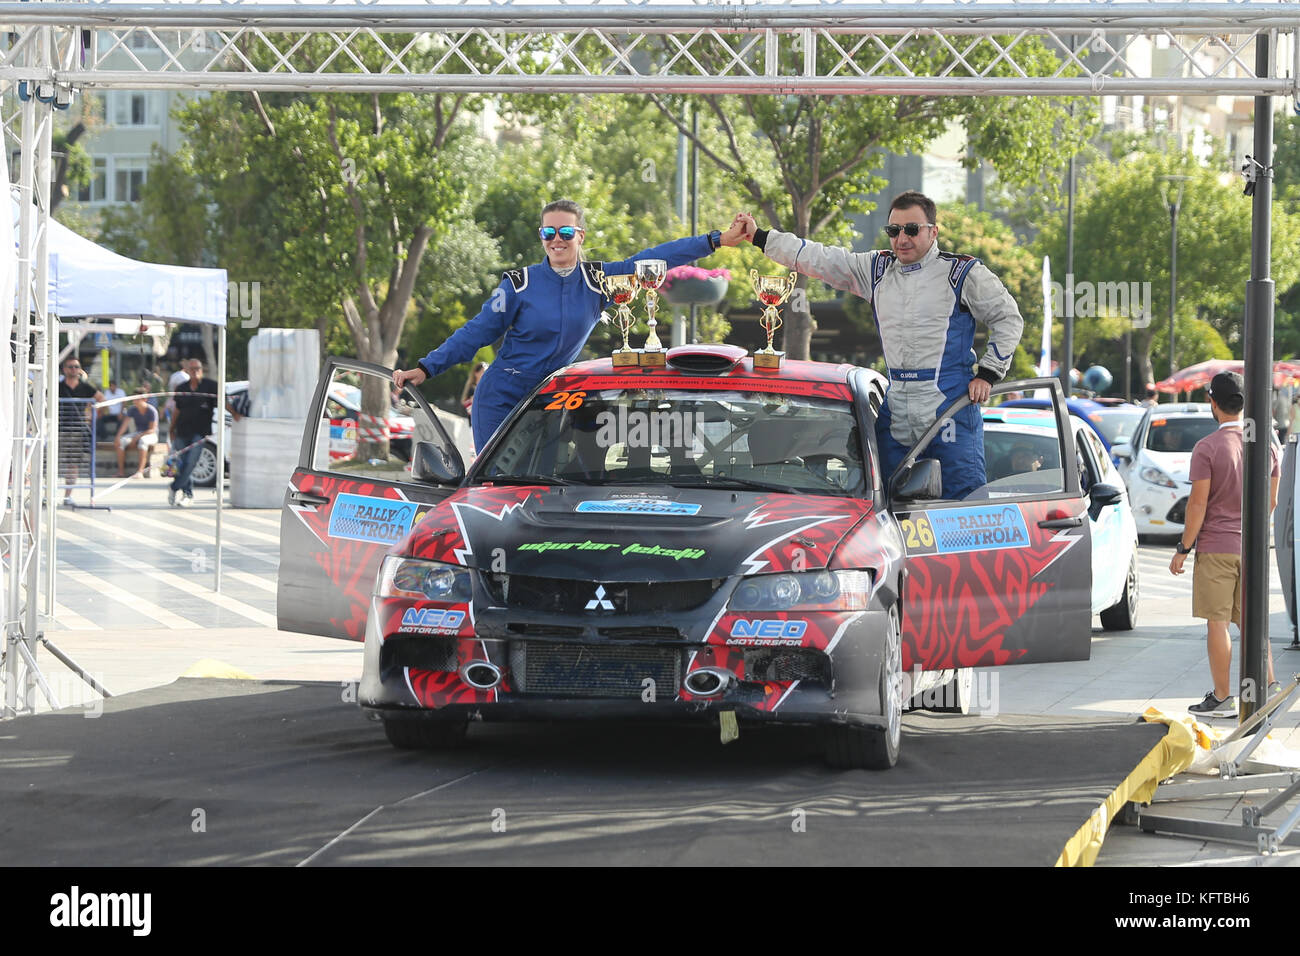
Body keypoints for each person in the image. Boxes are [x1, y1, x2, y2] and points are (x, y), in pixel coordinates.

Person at [393, 199, 748, 451]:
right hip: (502, 397)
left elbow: (657, 257)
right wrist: (426, 367)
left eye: (565, 231)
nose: (556, 239)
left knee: (544, 488)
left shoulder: (599, 281)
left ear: (580, 236)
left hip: (554, 399)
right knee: (497, 488)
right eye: (548, 232)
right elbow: (476, 332)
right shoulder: (519, 284)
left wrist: (717, 239)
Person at [736, 191, 1024, 500]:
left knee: (965, 504)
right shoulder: (876, 268)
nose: (902, 238)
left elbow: (1008, 317)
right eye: (894, 230)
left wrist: (989, 373)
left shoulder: (961, 272)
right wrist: (760, 237)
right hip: (897, 401)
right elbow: (820, 258)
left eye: (912, 229)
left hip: (949, 402)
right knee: (883, 503)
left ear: (933, 231)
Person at [1170, 371, 1281, 717]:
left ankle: (1222, 698)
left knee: (1216, 623)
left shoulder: (1207, 448)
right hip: (1252, 548)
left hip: (1217, 548)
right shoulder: (1266, 444)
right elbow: (1272, 502)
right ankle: (1269, 689)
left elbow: (1197, 505)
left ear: (1212, 402)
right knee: (1251, 623)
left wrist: (1183, 548)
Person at [167, 359, 242, 507]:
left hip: (199, 432)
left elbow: (222, 401)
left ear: (202, 370)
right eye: (192, 368)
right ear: (187, 371)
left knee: (191, 463)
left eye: (198, 368)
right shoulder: (182, 387)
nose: (195, 371)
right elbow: (177, 409)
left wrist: (234, 413)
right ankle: (187, 494)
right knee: (182, 465)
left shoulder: (210, 386)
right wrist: (171, 429)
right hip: (181, 431)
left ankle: (174, 487)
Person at [57, 356, 102, 505]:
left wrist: (91, 413)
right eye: (70, 367)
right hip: (59, 429)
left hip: (77, 430)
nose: (74, 370)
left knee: (73, 464)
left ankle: (67, 496)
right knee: (52, 463)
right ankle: (47, 494)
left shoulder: (85, 387)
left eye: (76, 366)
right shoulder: (58, 386)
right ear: (64, 369)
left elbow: (101, 399)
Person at [115, 387, 159, 478]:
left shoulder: (151, 410)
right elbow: (125, 424)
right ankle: (121, 472)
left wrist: (138, 437)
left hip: (151, 434)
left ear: (144, 399)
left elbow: (152, 430)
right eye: (133, 398)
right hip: (138, 432)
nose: (134, 401)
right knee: (121, 441)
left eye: (137, 398)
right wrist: (118, 437)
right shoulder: (132, 409)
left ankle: (140, 472)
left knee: (142, 441)